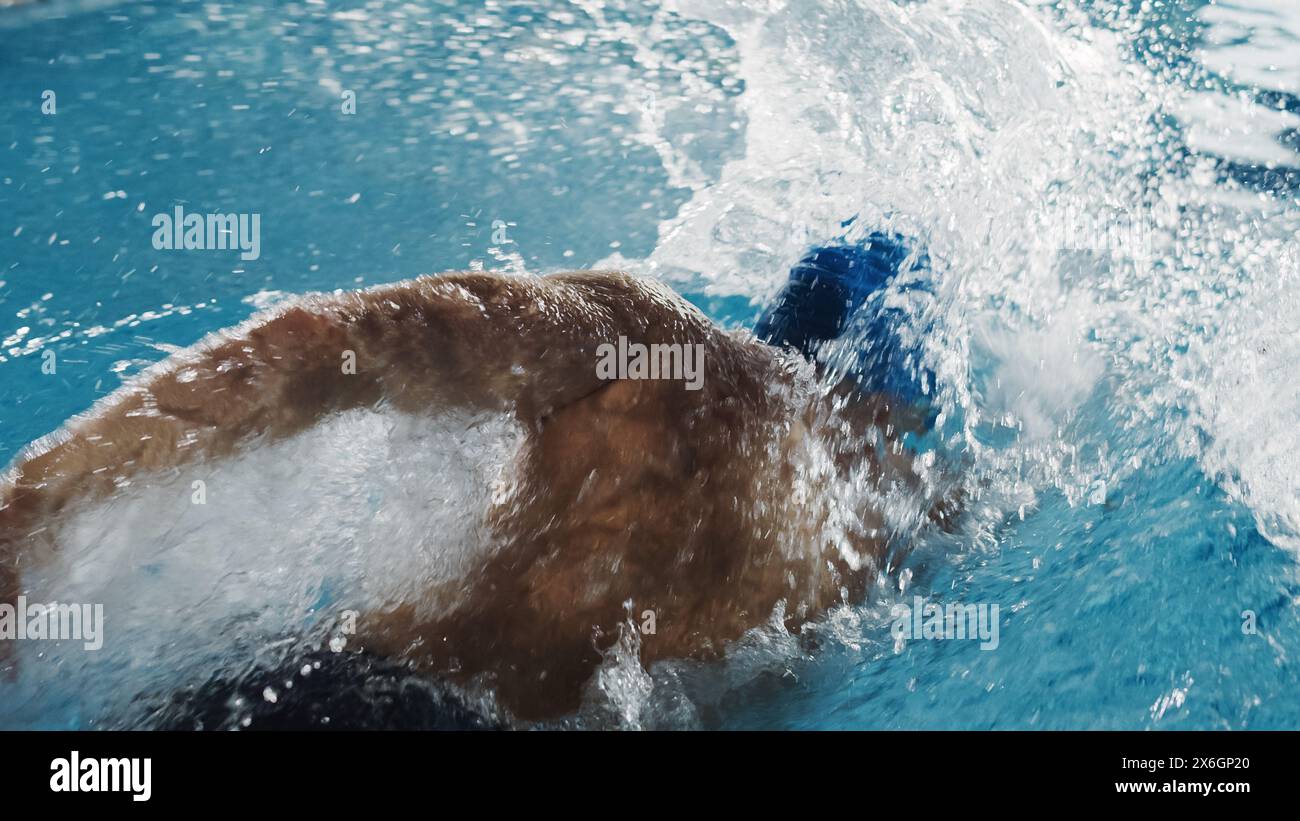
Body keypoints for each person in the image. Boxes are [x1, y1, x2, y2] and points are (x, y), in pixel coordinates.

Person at [0, 233, 954, 721]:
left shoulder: (658, 348)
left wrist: (36, 502)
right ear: (893, 410)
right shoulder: (875, 537)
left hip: (364, 707)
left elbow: (323, 346)